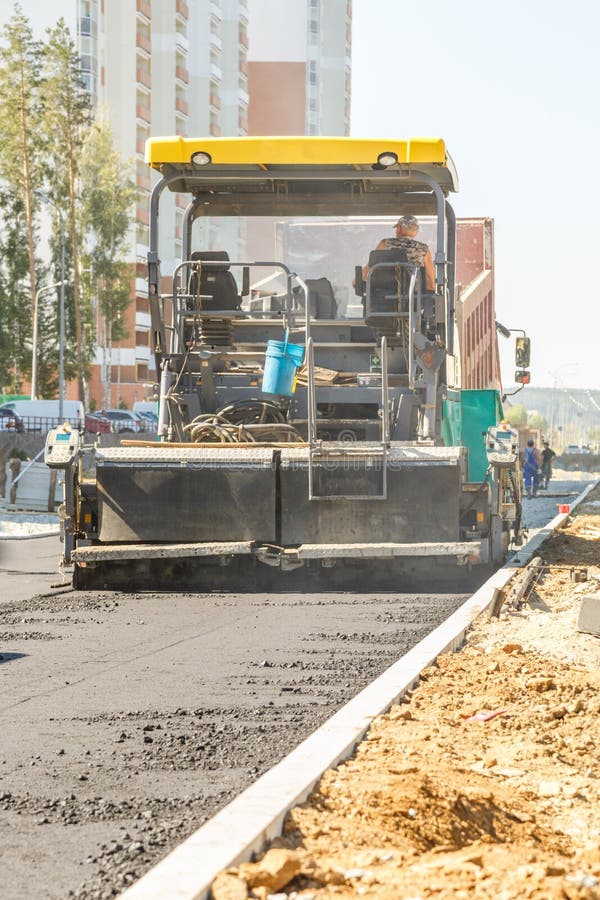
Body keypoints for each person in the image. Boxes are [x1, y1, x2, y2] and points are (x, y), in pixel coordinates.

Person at [362, 214, 436, 290]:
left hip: (383, 294)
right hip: (414, 297)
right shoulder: (423, 249)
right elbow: (430, 280)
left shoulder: (385, 244)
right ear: (415, 232)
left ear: (399, 229)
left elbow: (370, 267)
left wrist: (357, 281)